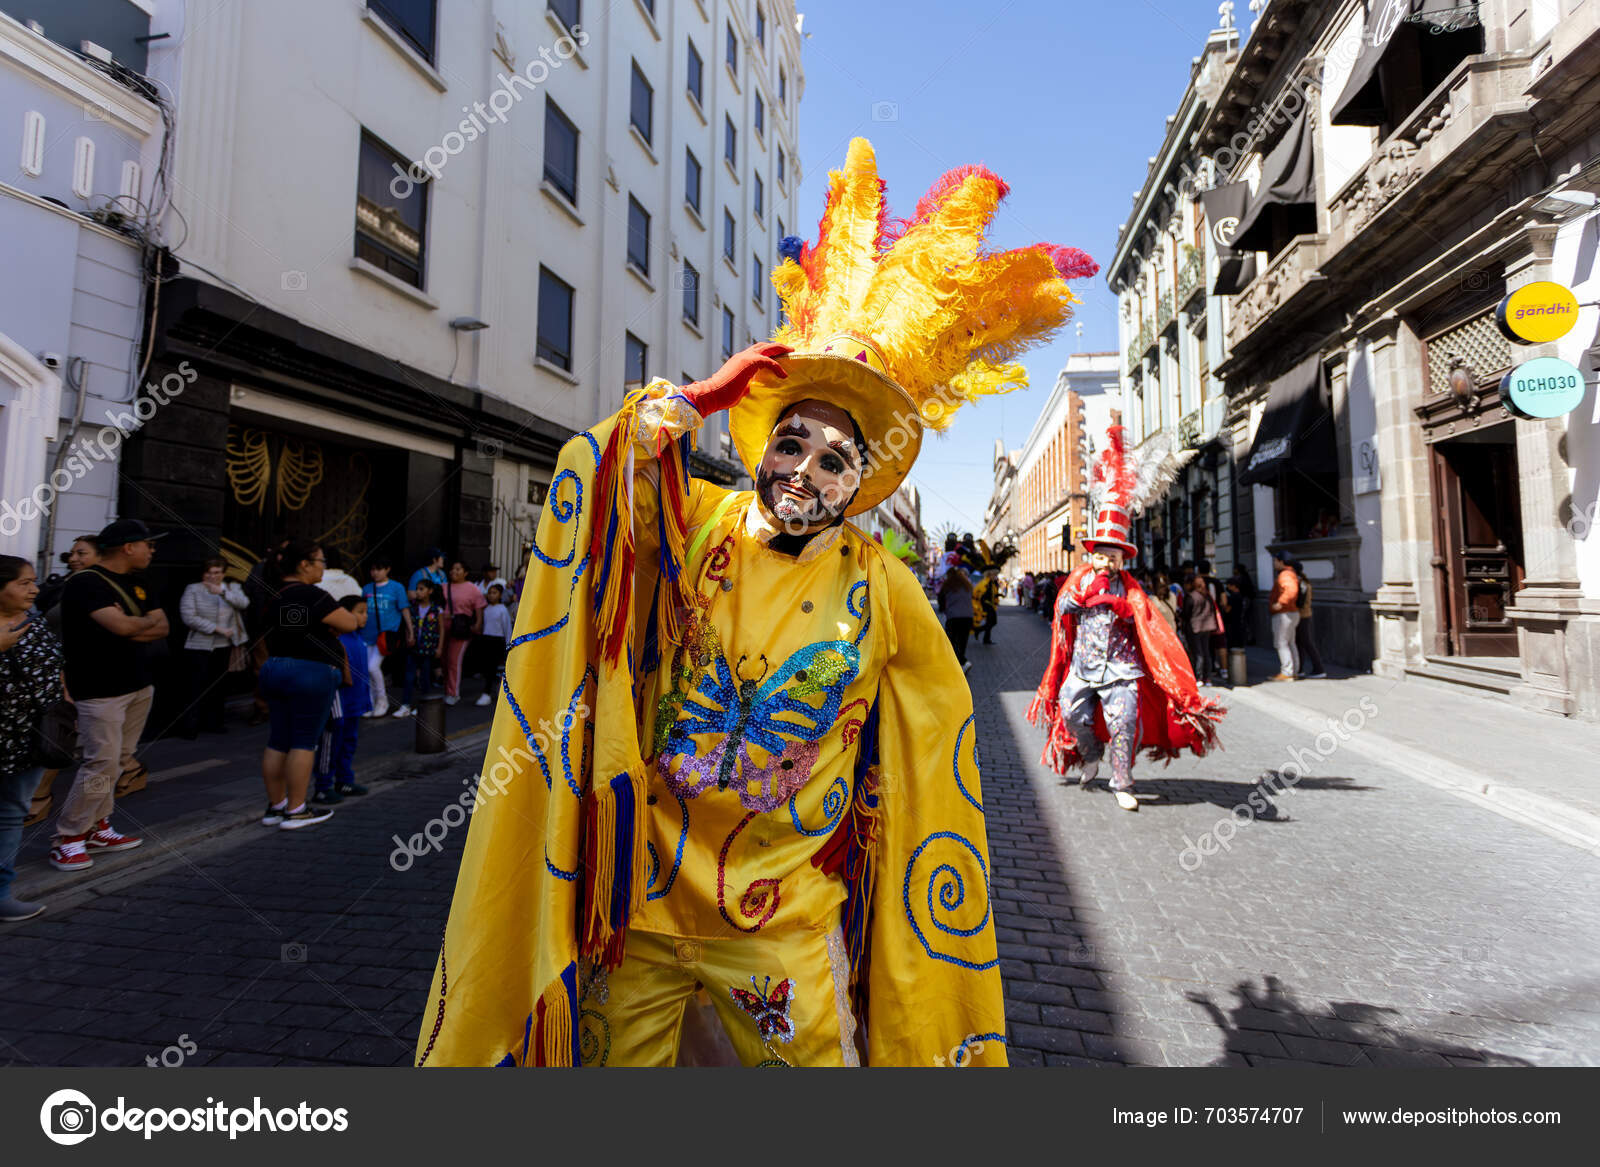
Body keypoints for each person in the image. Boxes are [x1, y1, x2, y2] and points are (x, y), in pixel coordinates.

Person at [415, 138, 1095, 1067]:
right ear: (762, 441)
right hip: (643, 911)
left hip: (779, 936)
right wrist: (691, 400)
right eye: (791, 442)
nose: (803, 471)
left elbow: (935, 750)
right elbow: (599, 485)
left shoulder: (884, 584)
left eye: (833, 459)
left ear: (860, 483)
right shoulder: (695, 519)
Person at [1029, 426, 1223, 813]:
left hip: (1122, 669)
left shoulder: (1132, 589)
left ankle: (1122, 782)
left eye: (1112, 556)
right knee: (1071, 713)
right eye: (1100, 555)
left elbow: (1149, 626)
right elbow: (1062, 610)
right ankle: (1089, 753)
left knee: (1125, 724)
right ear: (1092, 555)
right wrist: (1081, 599)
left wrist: (1126, 610)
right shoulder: (1078, 578)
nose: (1106, 561)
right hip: (1082, 669)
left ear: (1122, 558)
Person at [51, 519, 167, 872]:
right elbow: (121, 626)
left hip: (137, 685)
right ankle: (68, 837)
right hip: (99, 690)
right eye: (148, 543)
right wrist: (133, 626)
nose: (152, 550)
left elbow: (162, 626)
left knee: (119, 760)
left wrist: (134, 627)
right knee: (100, 762)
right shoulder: (86, 584)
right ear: (127, 547)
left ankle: (98, 826)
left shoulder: (138, 581)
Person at [257, 540, 362, 830]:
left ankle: (275, 807)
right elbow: (351, 623)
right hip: (310, 672)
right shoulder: (313, 594)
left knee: (278, 740)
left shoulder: (275, 595)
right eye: (320, 562)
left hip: (275, 667)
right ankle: (296, 810)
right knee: (304, 741)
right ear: (304, 565)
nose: (323, 567)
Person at [0, 556, 63, 921]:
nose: (34, 589)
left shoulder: (34, 622)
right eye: (24, 582)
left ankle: (2, 893)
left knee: (11, 815)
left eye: (34, 581)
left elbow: (56, 666)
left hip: (29, 738)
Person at [27, 537, 100, 826]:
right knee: (55, 735)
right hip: (52, 672)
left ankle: (94, 818)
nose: (74, 558)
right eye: (72, 553)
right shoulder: (61, 585)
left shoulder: (102, 589)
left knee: (100, 753)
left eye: (83, 553)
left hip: (89, 677)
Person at [178, 558, 249, 737]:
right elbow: (189, 617)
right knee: (195, 686)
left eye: (217, 572)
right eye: (208, 572)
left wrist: (223, 592)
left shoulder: (231, 588)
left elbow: (244, 603)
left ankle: (214, 723)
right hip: (199, 645)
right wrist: (217, 629)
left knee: (218, 686)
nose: (212, 576)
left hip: (224, 646)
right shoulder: (193, 589)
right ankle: (190, 727)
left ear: (223, 574)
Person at [313, 595, 372, 805]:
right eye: (360, 611)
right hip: (339, 704)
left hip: (355, 704)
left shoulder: (358, 638)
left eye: (366, 612)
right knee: (331, 744)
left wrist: (366, 700)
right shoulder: (338, 639)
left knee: (349, 743)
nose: (364, 616)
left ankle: (345, 780)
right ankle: (323, 786)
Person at [361, 557, 412, 719]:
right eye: (373, 569)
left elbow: (404, 610)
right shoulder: (367, 588)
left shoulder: (397, 588)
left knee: (372, 667)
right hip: (366, 634)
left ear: (387, 569)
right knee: (365, 671)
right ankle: (369, 703)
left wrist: (410, 631)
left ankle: (382, 701)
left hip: (385, 636)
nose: (375, 573)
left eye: (379, 569)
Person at [440, 560, 487, 706]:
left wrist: (478, 625)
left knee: (454, 660)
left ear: (465, 572)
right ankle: (447, 688)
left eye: (458, 569)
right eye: (453, 568)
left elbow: (479, 609)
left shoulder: (472, 589)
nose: (454, 571)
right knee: (444, 660)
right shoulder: (443, 587)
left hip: (461, 628)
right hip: (442, 627)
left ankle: (453, 692)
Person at [405, 577, 445, 708]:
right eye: (417, 589)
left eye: (421, 589)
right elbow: (408, 624)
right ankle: (406, 703)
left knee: (425, 677)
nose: (418, 592)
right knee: (409, 676)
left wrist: (439, 647)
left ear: (430, 591)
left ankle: (424, 704)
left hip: (428, 648)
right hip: (413, 647)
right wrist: (408, 637)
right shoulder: (413, 607)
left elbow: (441, 629)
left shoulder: (436, 609)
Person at [476, 583, 513, 705]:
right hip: (487, 639)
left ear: (500, 595)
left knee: (496, 668)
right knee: (487, 668)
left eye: (494, 593)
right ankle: (488, 692)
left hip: (498, 641)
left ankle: (491, 692)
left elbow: (507, 627)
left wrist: (509, 644)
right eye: (490, 593)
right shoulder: (486, 609)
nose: (491, 596)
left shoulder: (502, 610)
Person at [1268, 551, 1302, 682]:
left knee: (1281, 643)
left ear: (1281, 561)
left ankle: (1287, 672)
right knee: (1290, 642)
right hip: (1292, 612)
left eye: (1275, 560)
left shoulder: (1285, 575)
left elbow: (1291, 591)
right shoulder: (1292, 573)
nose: (1274, 563)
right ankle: (1294, 671)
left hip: (1284, 613)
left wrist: (1280, 603)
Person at [1183, 572, 1218, 685]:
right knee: (1206, 652)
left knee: (1198, 653)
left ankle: (1199, 677)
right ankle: (1207, 678)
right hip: (1207, 627)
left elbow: (1186, 613)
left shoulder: (1191, 596)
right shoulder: (1207, 595)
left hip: (1195, 627)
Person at [1294, 559, 1326, 679]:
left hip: (1303, 615)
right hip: (1304, 614)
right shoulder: (1303, 581)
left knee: (1306, 643)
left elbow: (1300, 602)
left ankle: (1319, 668)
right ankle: (1300, 669)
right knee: (1300, 643)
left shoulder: (1301, 583)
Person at [944, 556, 976, 672]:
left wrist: (945, 609)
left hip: (953, 617)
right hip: (967, 616)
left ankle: (962, 662)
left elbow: (941, 600)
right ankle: (961, 663)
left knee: (951, 641)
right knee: (962, 641)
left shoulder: (948, 584)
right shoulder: (967, 584)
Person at [975, 567, 1000, 645]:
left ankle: (986, 638)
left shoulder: (991, 583)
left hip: (990, 605)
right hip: (987, 606)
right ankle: (979, 631)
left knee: (991, 622)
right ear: (990, 575)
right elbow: (981, 595)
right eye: (995, 575)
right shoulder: (986, 583)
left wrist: (999, 595)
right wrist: (985, 605)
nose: (996, 576)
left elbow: (993, 594)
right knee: (992, 622)